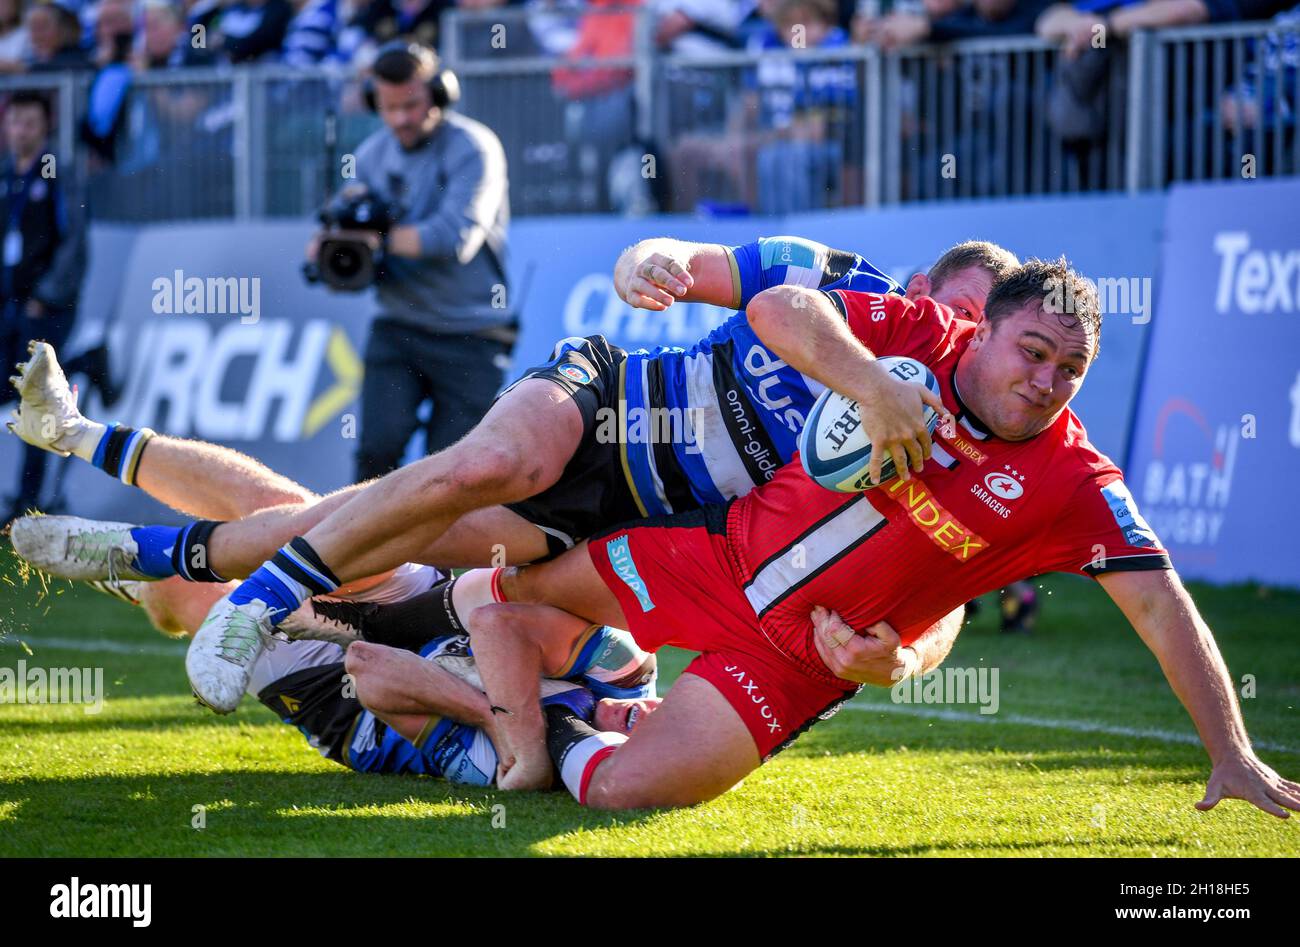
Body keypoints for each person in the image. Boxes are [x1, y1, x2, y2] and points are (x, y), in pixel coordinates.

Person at [445, 259, 1300, 819]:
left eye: (1069, 372)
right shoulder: (918, 333)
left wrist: (1230, 749)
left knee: (625, 791)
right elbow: (779, 305)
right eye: (1033, 352)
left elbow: (1161, 606)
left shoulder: (1076, 484)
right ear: (987, 328)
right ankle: (355, 591)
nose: (1045, 384)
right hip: (712, 554)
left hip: (796, 660)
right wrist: (867, 385)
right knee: (510, 585)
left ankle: (573, 714)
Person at [8, 234, 1012, 710]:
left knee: (323, 524)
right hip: (598, 411)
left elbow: (945, 579)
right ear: (920, 289)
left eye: (974, 341)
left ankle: (126, 522)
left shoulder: (951, 429)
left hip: (590, 534)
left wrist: (911, 659)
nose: (951, 351)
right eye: (951, 315)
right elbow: (685, 261)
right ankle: (162, 540)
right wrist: (644, 266)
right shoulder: (843, 286)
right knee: (427, 491)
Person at [308, 40, 515, 482]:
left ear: (440, 94)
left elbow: (455, 238)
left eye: (413, 104)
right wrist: (334, 247)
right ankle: (364, 553)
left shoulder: (474, 147)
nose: (401, 118)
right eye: (389, 107)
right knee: (374, 455)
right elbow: (357, 258)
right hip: (399, 327)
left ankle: (450, 556)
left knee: (455, 475)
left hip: (472, 334)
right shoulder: (367, 157)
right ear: (372, 102)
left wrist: (374, 240)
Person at [0, 91, 86, 522]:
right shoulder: (4, 174)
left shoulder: (55, 173)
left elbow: (74, 240)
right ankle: (89, 363)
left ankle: (28, 500)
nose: (20, 131)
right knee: (9, 394)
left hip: (42, 310)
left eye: (29, 123)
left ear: (45, 126)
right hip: (7, 306)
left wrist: (47, 296)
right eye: (15, 122)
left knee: (37, 402)